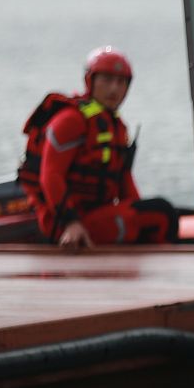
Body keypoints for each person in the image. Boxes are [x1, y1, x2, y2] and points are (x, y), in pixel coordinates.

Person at [17, 46, 178, 249]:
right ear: (90, 81)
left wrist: (139, 208)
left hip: (96, 216)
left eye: (121, 82)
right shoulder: (71, 120)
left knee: (163, 212)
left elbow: (125, 183)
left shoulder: (117, 128)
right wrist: (71, 223)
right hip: (64, 225)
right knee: (163, 213)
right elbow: (50, 176)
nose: (114, 89)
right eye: (107, 80)